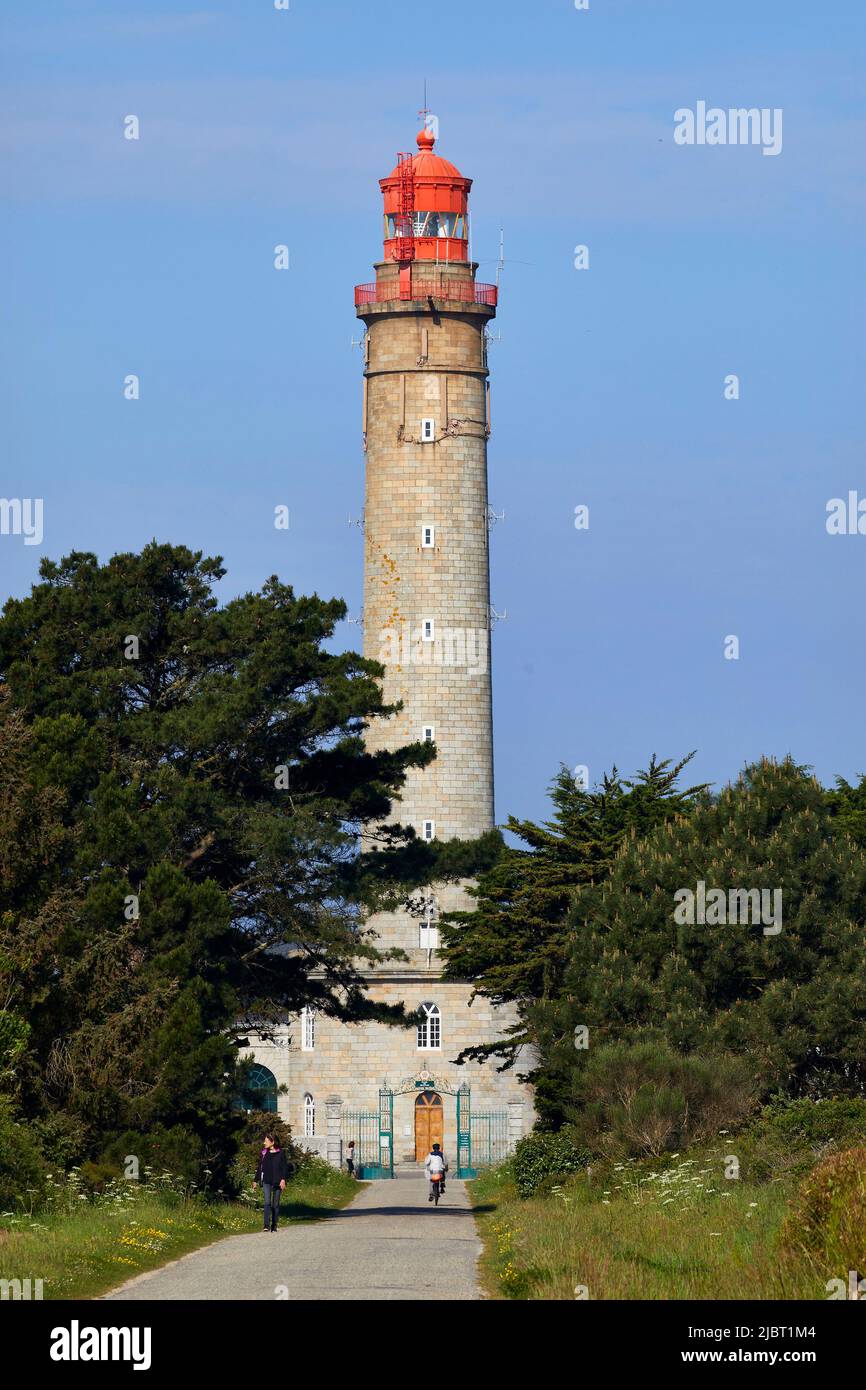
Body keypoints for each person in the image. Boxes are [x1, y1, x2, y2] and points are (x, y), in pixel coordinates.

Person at [252, 1131, 288, 1232]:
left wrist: (283, 1180)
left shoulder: (281, 1153)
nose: (264, 1143)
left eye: (266, 1141)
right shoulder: (264, 1153)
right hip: (267, 1181)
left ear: (272, 1142)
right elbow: (260, 1167)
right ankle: (266, 1225)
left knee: (275, 1205)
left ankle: (274, 1225)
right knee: (267, 1202)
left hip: (277, 1181)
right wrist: (255, 1180)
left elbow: (284, 1168)